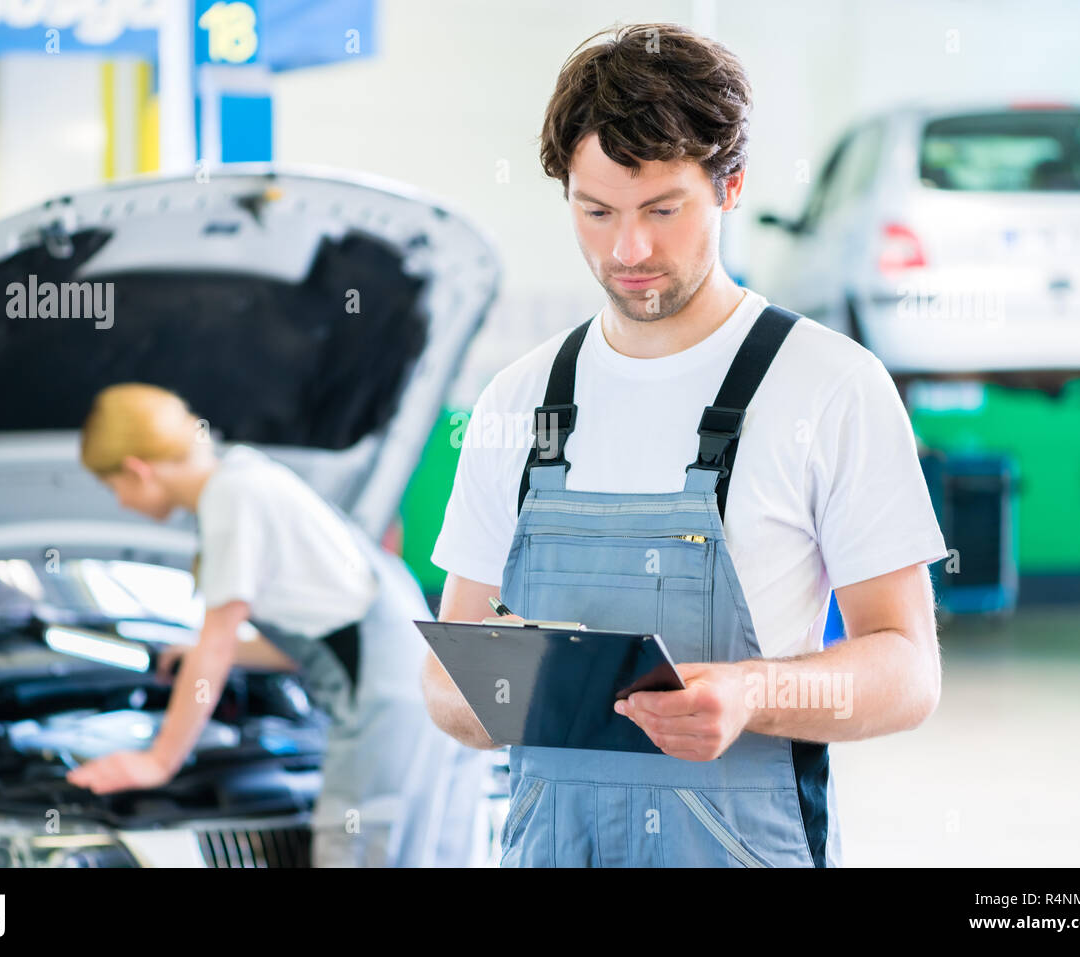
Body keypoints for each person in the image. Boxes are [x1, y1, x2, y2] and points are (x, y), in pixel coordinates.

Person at [422, 23, 949, 867]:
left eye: (663, 210)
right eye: (596, 212)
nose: (628, 250)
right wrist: (543, 688)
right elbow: (447, 682)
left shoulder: (830, 385)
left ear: (730, 185)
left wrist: (751, 692)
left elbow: (907, 672)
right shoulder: (518, 400)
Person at [69, 383, 484, 867]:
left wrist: (157, 761)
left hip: (390, 702)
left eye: (112, 486)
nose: (119, 502)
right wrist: (200, 652)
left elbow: (217, 644)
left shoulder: (229, 496)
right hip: (427, 687)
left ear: (137, 471)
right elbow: (312, 640)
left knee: (351, 849)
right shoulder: (247, 473)